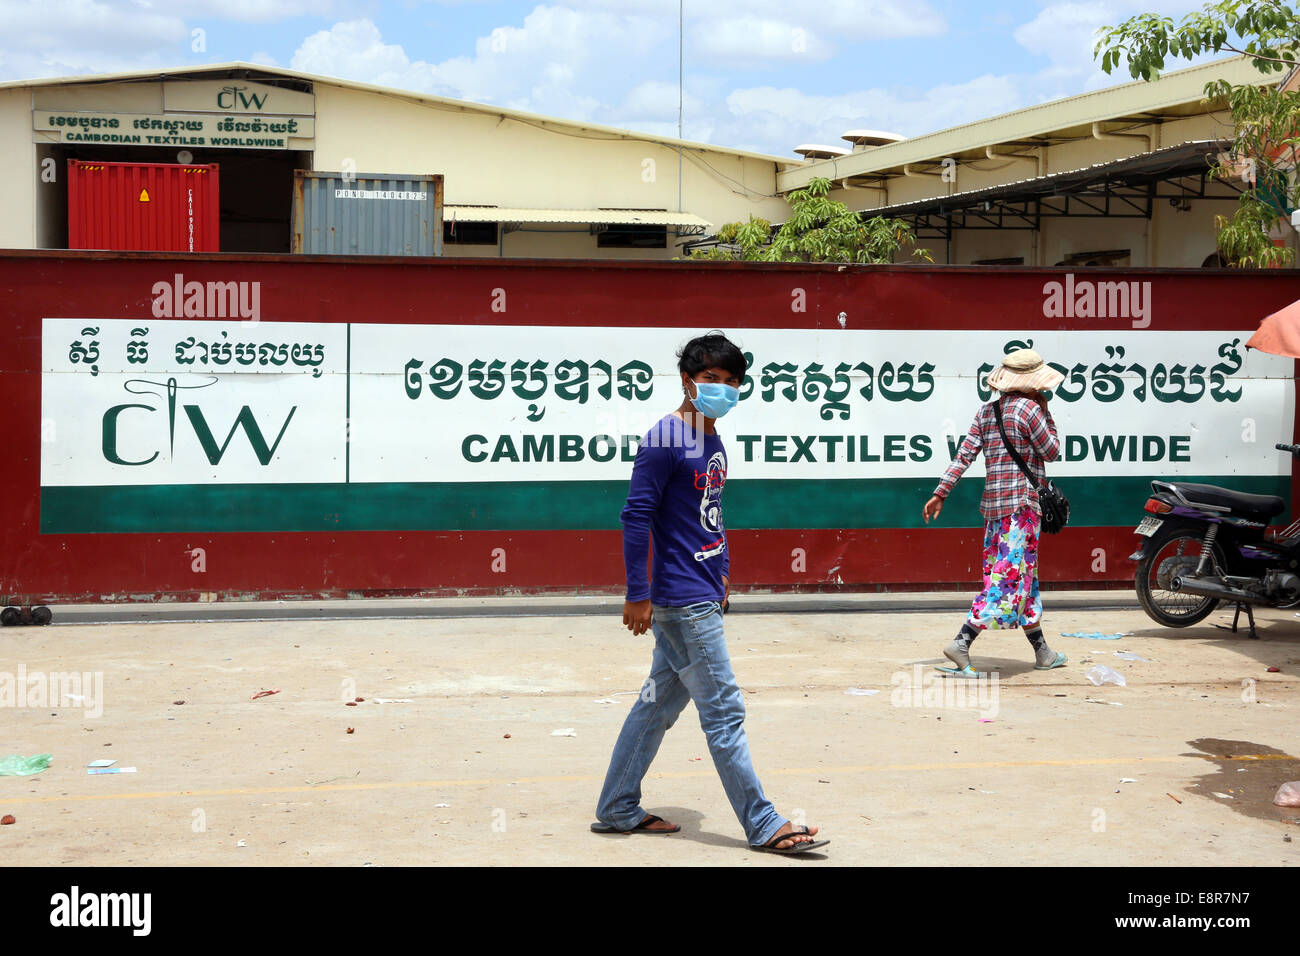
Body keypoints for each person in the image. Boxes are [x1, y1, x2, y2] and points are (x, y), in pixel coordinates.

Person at [592, 332, 828, 855]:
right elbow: (636, 518)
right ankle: (764, 823)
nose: (721, 389)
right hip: (680, 598)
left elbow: (711, 514)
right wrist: (637, 593)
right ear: (687, 381)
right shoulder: (664, 440)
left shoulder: (712, 437)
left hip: (703, 588)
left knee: (655, 705)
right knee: (723, 711)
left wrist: (724, 569)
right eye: (710, 379)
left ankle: (616, 807)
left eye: (730, 382)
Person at [922, 348, 1069, 677]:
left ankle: (1043, 652)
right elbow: (1053, 451)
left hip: (995, 511)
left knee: (1021, 579)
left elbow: (964, 456)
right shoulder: (1032, 410)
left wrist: (940, 493)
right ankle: (961, 642)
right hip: (1022, 511)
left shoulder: (986, 413)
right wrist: (1046, 415)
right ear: (1033, 383)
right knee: (1006, 580)